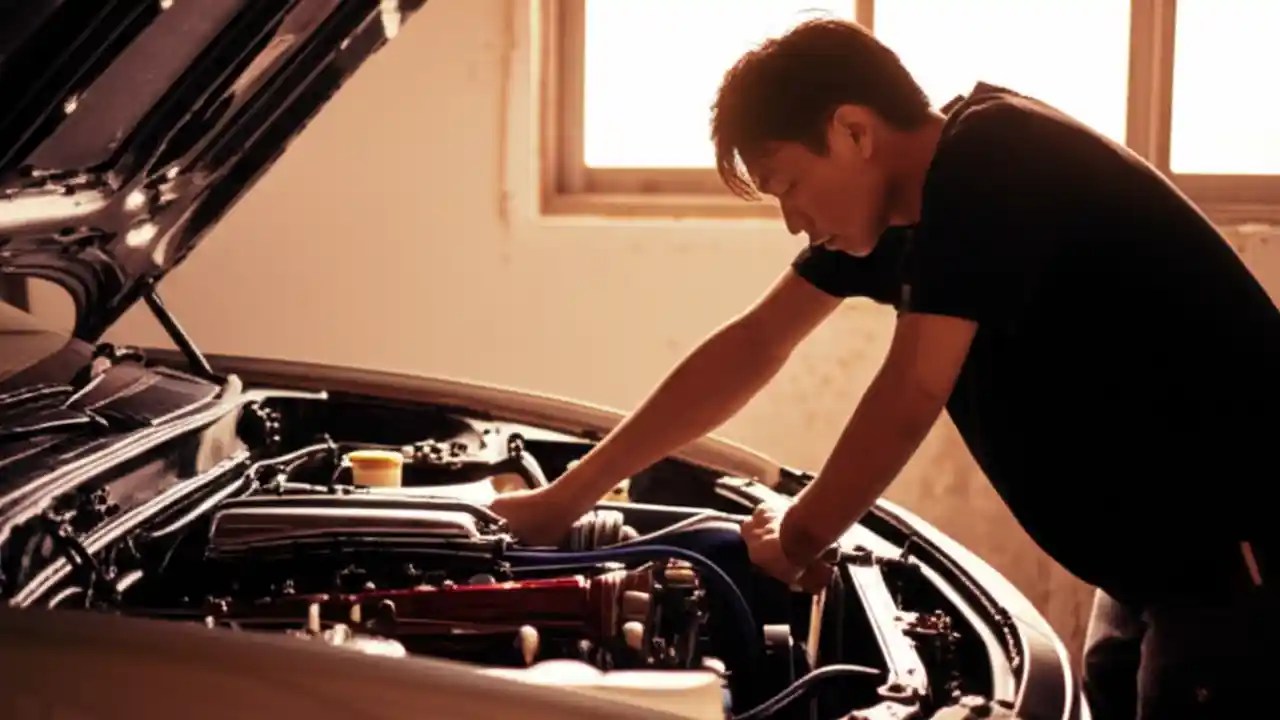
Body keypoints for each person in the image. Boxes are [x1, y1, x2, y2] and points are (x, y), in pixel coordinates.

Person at [490, 18, 1278, 719]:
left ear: (854, 133)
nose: (793, 218)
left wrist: (799, 535)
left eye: (790, 185)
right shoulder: (912, 213)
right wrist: (569, 495)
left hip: (1237, 550)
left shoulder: (992, 161)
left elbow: (912, 389)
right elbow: (754, 344)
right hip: (1152, 565)